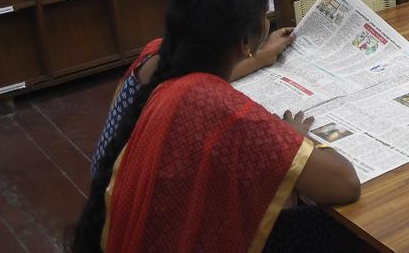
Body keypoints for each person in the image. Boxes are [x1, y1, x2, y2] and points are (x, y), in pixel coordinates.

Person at [69, 0, 409, 253]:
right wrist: (291, 140)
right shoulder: (223, 111)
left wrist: (261, 64)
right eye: (265, 15)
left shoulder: (165, 75)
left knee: (341, 232)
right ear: (245, 41)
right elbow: (345, 184)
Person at [88, 25, 295, 181]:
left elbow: (206, 71)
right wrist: (289, 140)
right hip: (125, 194)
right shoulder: (195, 97)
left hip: (111, 184)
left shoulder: (163, 51)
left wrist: (261, 56)